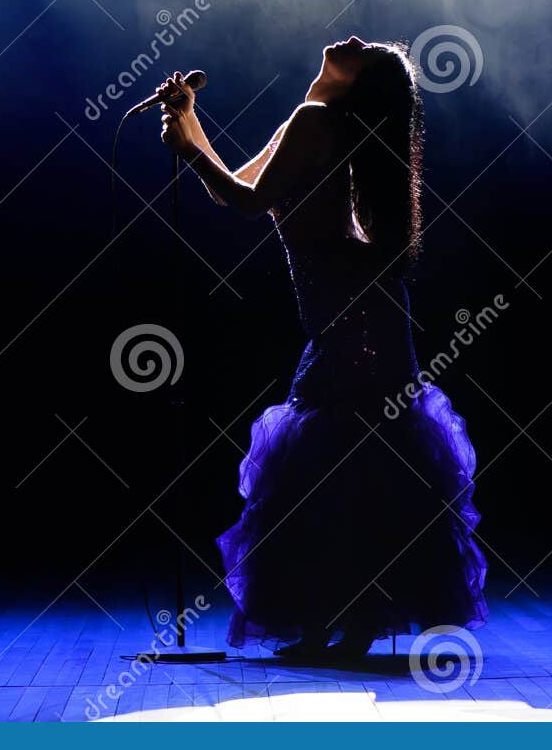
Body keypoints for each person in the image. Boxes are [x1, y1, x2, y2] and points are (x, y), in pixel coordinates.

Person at [156, 37, 487, 658]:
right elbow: (239, 184)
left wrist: (185, 149)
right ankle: (340, 624)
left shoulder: (316, 122)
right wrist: (188, 122)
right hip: (356, 317)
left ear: (358, 81)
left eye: (366, 51)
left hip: (353, 320)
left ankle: (341, 626)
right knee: (351, 462)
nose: (357, 39)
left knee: (334, 464)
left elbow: (247, 202)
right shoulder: (307, 120)